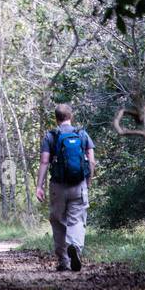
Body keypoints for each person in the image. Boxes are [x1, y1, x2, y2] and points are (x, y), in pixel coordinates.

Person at [35, 103, 96, 272]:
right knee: (77, 219)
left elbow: (44, 161)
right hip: (79, 185)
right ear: (71, 116)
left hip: (58, 185)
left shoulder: (51, 136)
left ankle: (63, 261)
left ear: (56, 118)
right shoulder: (82, 134)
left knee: (58, 221)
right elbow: (91, 160)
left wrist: (39, 186)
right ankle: (75, 247)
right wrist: (88, 181)